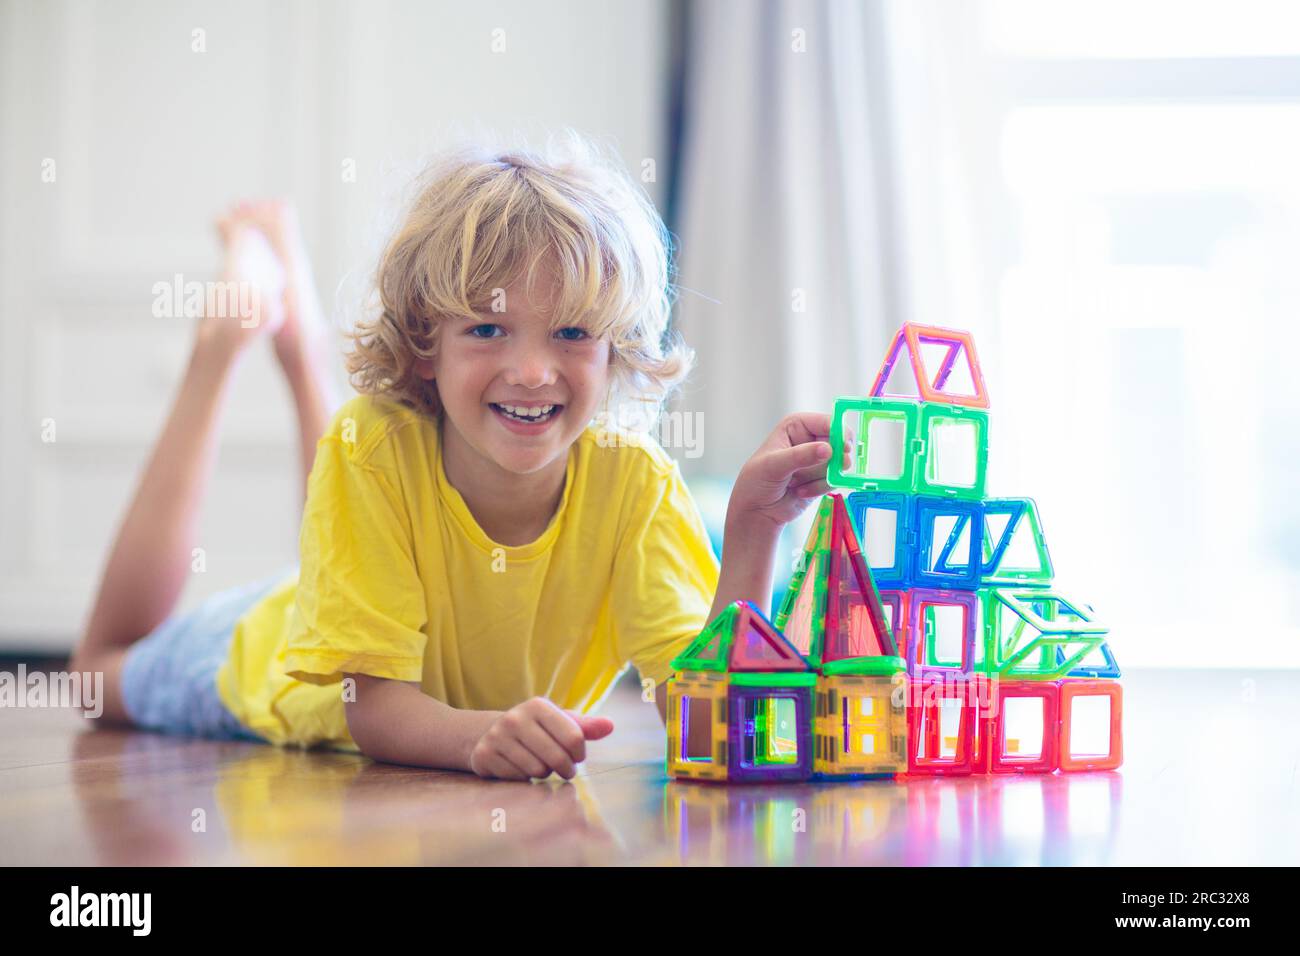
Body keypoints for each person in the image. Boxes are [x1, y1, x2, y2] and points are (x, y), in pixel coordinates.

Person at [70, 135, 835, 781]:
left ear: (615, 353)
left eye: (571, 333)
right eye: (488, 329)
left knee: (361, 468)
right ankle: (228, 341)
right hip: (266, 654)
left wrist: (753, 531)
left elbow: (711, 717)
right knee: (95, 678)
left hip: (367, 587)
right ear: (425, 346)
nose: (534, 371)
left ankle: (299, 338)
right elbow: (364, 705)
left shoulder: (635, 484)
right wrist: (477, 738)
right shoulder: (371, 447)